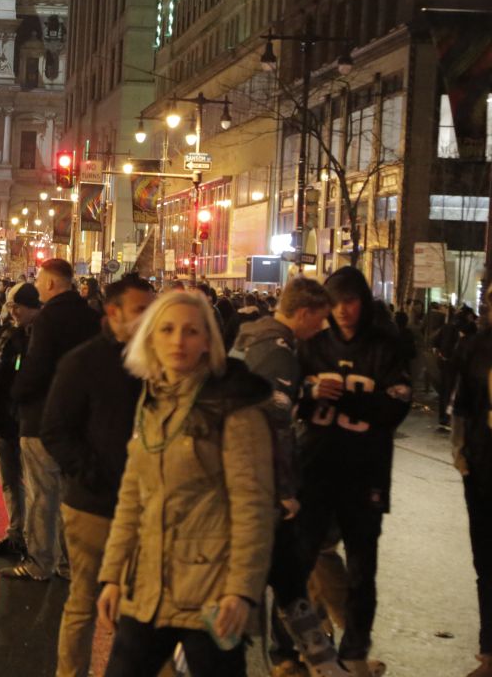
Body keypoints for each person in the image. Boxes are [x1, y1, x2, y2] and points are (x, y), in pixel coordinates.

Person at [96, 290, 276, 677]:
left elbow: (253, 507)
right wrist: (112, 575)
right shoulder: (152, 401)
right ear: (150, 338)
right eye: (167, 329)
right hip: (147, 585)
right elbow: (132, 496)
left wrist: (241, 590)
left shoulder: (232, 407)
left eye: (191, 331)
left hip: (210, 592)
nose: (178, 341)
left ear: (208, 341)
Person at [288, 267, 411, 677]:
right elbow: (287, 395)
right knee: (299, 561)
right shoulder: (312, 345)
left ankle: (354, 650)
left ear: (364, 301)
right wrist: (311, 394)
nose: (343, 310)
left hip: (365, 471)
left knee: (363, 567)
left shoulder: (385, 347)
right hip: (316, 466)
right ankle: (295, 649)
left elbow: (395, 407)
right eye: (336, 301)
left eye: (351, 300)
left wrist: (348, 403)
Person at [229, 277, 344, 676]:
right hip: (259, 484)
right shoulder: (280, 354)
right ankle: (304, 659)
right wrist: (284, 490)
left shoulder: (254, 338)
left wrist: (306, 393)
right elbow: (274, 425)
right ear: (305, 312)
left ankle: (311, 659)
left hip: (244, 477)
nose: (322, 328)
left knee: (282, 577)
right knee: (268, 579)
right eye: (320, 319)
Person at [41, 273, 154, 677]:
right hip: (93, 506)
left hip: (145, 507)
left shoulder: (159, 362)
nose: (149, 319)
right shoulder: (84, 362)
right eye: (141, 310)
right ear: (114, 312)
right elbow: (55, 428)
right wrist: (90, 473)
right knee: (84, 601)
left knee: (146, 608)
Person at [3, 258, 99, 581]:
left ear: (51, 284)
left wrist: (16, 390)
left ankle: (39, 561)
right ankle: (69, 563)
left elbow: (36, 367)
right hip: (76, 421)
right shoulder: (89, 317)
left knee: (41, 493)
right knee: (67, 495)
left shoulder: (48, 319)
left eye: (41, 280)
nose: (39, 285)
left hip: (41, 417)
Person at [0, 281, 42, 562]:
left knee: (25, 482)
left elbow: (11, 376)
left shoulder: (30, 338)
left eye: (17, 307)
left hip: (16, 417)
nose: (13, 311)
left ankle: (26, 538)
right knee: (12, 481)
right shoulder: (12, 333)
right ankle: (17, 533)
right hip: (7, 415)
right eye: (11, 307)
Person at [452, 287, 492, 677]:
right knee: (487, 562)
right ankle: (489, 651)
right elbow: (462, 406)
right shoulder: (475, 348)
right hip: (482, 469)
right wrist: (460, 455)